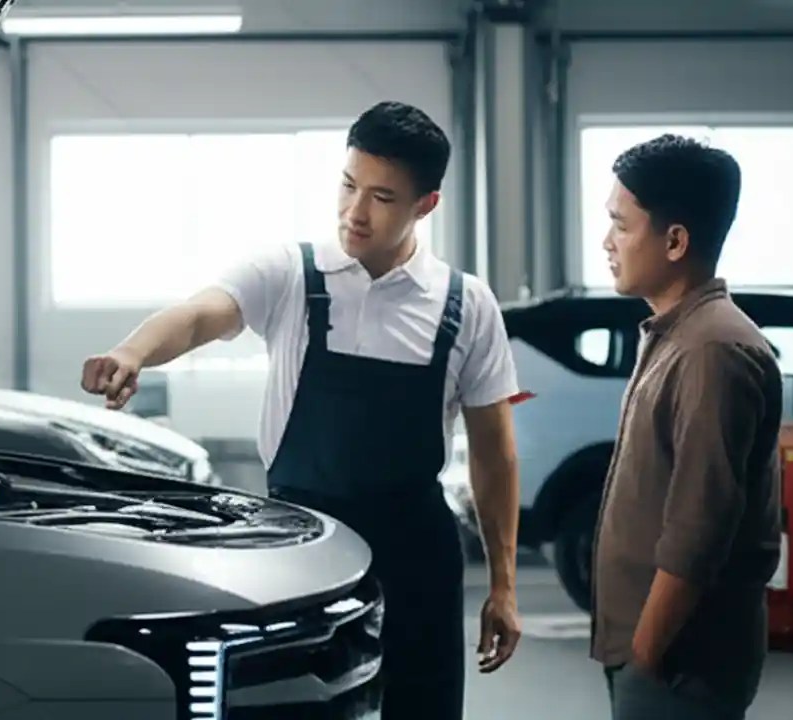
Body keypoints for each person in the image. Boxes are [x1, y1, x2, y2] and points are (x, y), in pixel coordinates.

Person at [79, 101, 524, 718]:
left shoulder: (466, 304)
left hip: (417, 552)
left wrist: (504, 584)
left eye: (382, 197)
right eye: (348, 185)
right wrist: (134, 352)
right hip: (302, 542)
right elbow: (202, 314)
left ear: (426, 205)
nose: (355, 211)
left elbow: (496, 454)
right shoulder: (290, 273)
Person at [590, 133, 784, 720]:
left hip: (679, 664)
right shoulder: (677, 335)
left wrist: (646, 652)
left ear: (675, 240)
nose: (607, 242)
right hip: (656, 658)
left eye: (621, 225)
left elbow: (698, 529)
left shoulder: (712, 351)